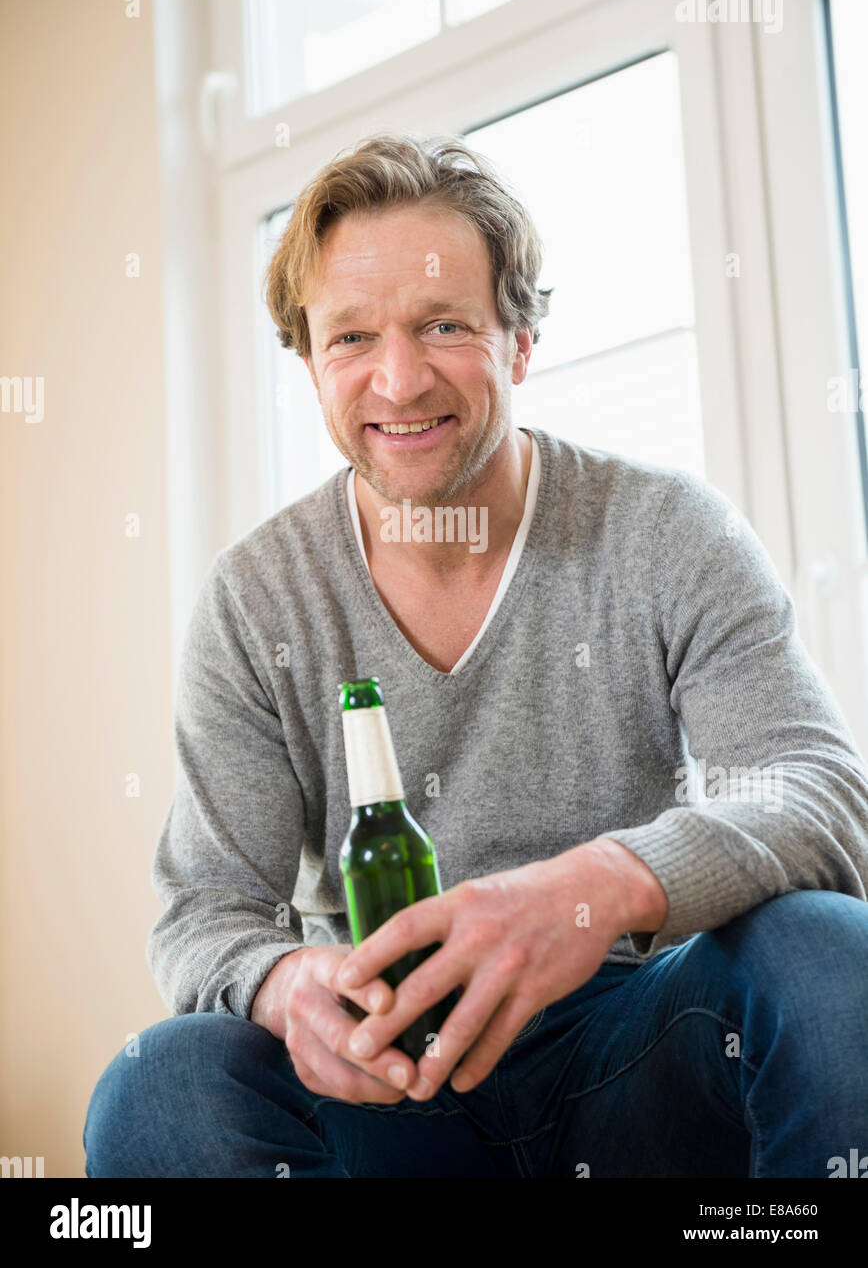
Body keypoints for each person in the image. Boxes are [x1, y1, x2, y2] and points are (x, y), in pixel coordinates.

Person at [84, 132, 868, 1178]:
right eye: (351, 337)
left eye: (443, 324)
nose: (398, 380)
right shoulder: (255, 597)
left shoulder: (668, 529)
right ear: (311, 361)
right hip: (388, 1091)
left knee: (822, 949)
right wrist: (285, 986)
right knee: (161, 1083)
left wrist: (594, 886)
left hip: (637, 1048)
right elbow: (207, 913)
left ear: (520, 341)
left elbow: (819, 793)